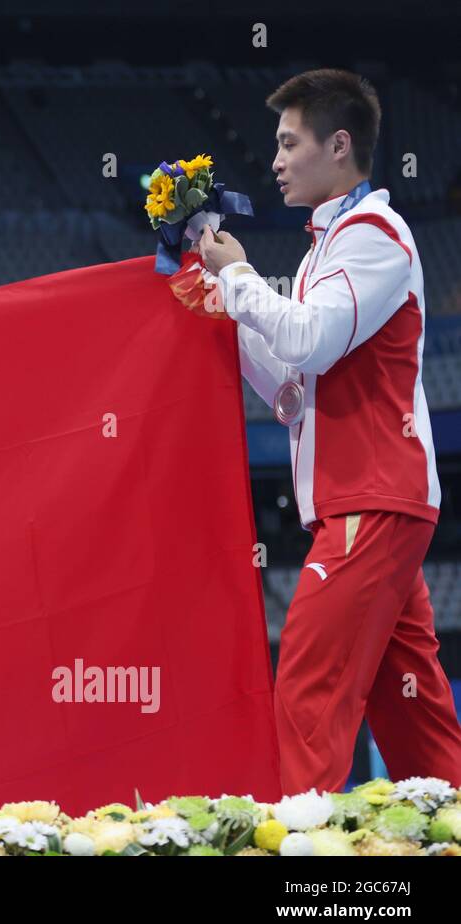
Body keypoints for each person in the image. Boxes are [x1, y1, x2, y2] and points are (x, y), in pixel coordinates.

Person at [197, 68, 461, 794]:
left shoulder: (375, 235)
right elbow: (290, 388)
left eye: (288, 143)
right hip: (365, 502)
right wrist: (224, 303)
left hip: (372, 499)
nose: (274, 160)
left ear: (339, 145)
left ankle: (305, 862)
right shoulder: (324, 250)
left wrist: (244, 277)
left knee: (309, 683)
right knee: (412, 710)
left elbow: (309, 339)